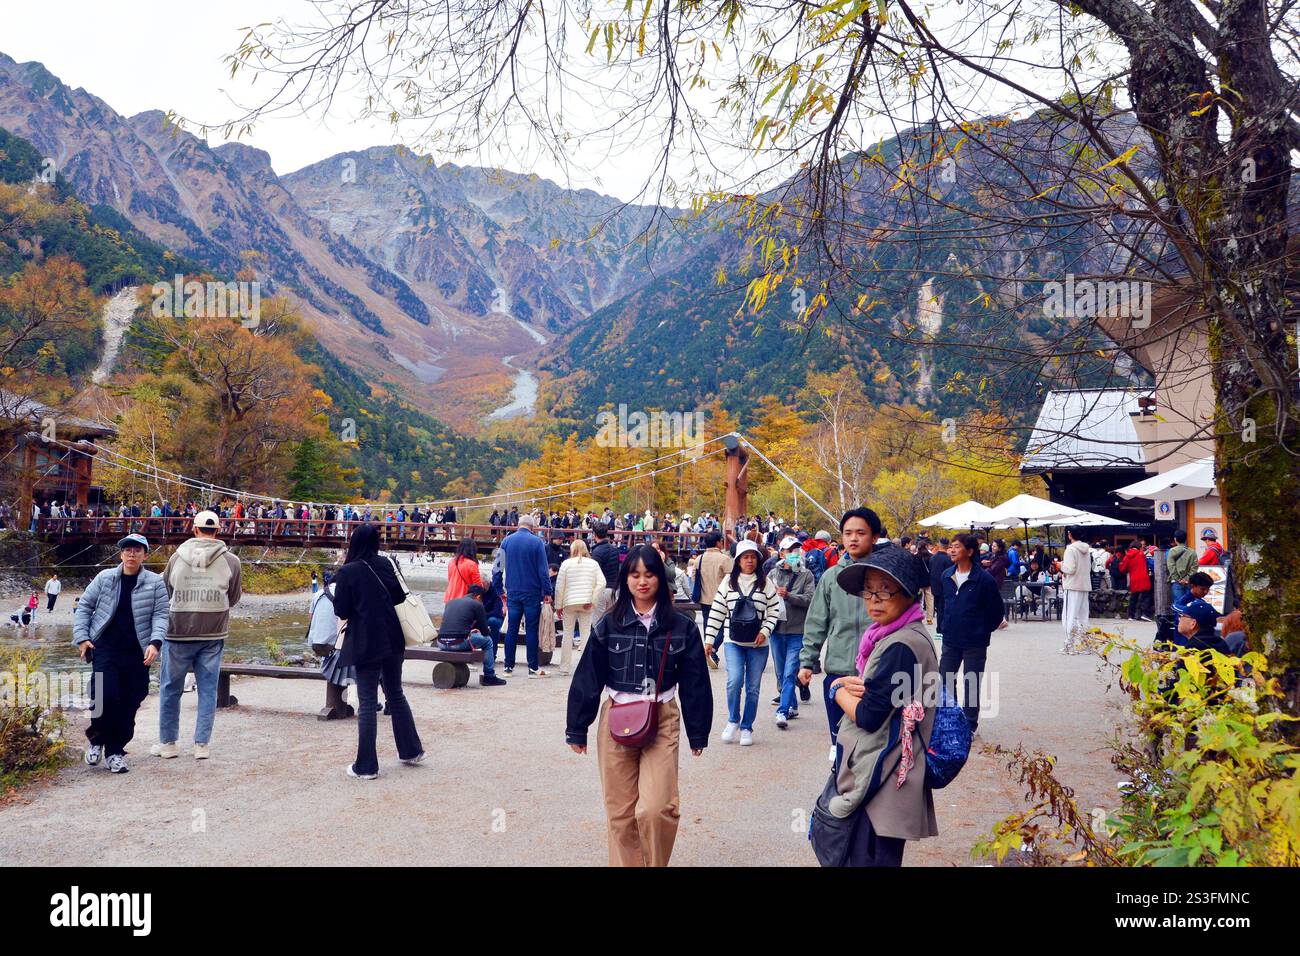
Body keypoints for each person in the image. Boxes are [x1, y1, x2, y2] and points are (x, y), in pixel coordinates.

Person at [565, 544, 712, 867]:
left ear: (659, 578)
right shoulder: (608, 623)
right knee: (620, 814)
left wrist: (698, 732)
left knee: (656, 809)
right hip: (617, 716)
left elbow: (696, 681)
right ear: (625, 579)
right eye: (634, 575)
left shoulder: (681, 626)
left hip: (661, 717)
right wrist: (578, 727)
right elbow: (589, 675)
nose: (642, 581)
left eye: (648, 574)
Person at [825, 545, 940, 866]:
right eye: (869, 591)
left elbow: (870, 715)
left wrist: (836, 689)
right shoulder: (895, 635)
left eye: (885, 591)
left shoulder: (901, 645)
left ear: (907, 594)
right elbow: (881, 697)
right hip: (885, 776)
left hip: (882, 779)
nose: (874, 600)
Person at [331, 523, 424, 778]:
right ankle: (411, 750)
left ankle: (367, 766)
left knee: (369, 701)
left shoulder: (347, 572)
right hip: (392, 638)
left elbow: (341, 611)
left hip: (365, 641)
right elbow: (398, 596)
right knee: (395, 693)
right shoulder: (386, 564)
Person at [73, 534, 170, 774]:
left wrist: (155, 643)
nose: (131, 554)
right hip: (105, 647)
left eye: (137, 550)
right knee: (104, 694)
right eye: (127, 550)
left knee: (130, 701)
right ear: (121, 554)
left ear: (145, 555)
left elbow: (161, 614)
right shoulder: (105, 578)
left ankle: (115, 750)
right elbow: (84, 606)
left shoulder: (155, 583)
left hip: (137, 651)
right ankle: (97, 741)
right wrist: (83, 638)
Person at [154, 511, 242, 760]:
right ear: (218, 530)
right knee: (207, 689)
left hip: (178, 630)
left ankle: (168, 744)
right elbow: (233, 596)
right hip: (213, 631)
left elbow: (166, 591)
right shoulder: (231, 561)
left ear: (194, 529)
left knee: (170, 688)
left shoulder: (176, 557)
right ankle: (201, 744)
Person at [798, 508, 882, 763]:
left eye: (860, 533)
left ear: (874, 537)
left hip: (877, 670)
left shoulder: (884, 576)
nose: (853, 538)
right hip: (839, 669)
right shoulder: (831, 577)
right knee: (840, 743)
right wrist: (807, 660)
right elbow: (816, 621)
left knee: (873, 741)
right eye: (848, 533)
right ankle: (840, 785)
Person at [703, 539, 780, 746]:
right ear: (737, 560)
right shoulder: (728, 582)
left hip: (758, 644)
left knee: (753, 687)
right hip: (732, 641)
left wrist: (765, 631)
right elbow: (717, 611)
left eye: (753, 557)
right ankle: (733, 720)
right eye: (745, 557)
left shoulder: (766, 583)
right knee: (734, 681)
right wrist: (709, 640)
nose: (749, 560)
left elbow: (774, 610)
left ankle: (747, 726)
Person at [937, 533, 1005, 734]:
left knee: (971, 683)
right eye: (951, 546)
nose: (952, 550)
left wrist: (982, 630)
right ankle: (950, 720)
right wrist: (944, 626)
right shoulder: (946, 576)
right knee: (946, 680)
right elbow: (942, 604)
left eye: (957, 547)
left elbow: (996, 611)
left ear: (970, 551)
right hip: (950, 639)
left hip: (975, 641)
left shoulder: (984, 579)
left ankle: (968, 726)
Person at [768, 536, 815, 728]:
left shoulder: (807, 575)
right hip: (776, 629)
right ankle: (792, 705)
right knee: (781, 672)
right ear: (782, 554)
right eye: (790, 551)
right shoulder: (772, 574)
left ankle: (782, 710)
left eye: (797, 550)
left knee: (789, 672)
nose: (795, 554)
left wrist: (789, 596)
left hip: (797, 630)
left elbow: (810, 598)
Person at [500, 514, 554, 677]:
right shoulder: (537, 543)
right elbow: (543, 572)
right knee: (531, 629)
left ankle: (508, 667)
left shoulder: (506, 542)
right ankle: (532, 667)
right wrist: (548, 592)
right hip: (532, 592)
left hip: (513, 591)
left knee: (512, 629)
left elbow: (497, 568)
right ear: (533, 527)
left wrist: (499, 590)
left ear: (518, 525)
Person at [438, 585, 507, 686]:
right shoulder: (476, 604)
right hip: (457, 643)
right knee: (488, 641)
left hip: (441, 643)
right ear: (478, 597)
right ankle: (489, 676)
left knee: (472, 638)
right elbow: (485, 632)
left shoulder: (451, 602)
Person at [554, 538, 602, 676]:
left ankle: (564, 667)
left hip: (569, 603)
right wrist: (593, 600)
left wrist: (558, 605)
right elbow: (602, 583)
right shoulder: (593, 564)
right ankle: (586, 667)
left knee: (567, 634)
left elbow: (559, 587)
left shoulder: (566, 564)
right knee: (586, 633)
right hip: (586, 603)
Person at [695, 530, 734, 668]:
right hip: (721, 599)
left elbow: (694, 577)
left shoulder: (699, 559)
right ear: (718, 542)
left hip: (704, 598)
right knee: (722, 630)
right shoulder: (724, 559)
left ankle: (709, 651)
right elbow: (731, 579)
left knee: (708, 627)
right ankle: (713, 650)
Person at [1059, 526, 1092, 645]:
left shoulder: (1070, 549)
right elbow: (1089, 568)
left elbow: (1070, 569)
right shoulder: (1086, 550)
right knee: (1083, 617)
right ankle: (1086, 644)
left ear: (1070, 534)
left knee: (1069, 615)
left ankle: (1069, 643)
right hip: (1084, 585)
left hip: (1072, 585)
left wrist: (1060, 566)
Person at [1120, 539, 1154, 621]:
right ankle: (1145, 614)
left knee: (1134, 598)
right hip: (1144, 578)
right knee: (1146, 596)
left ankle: (1131, 616)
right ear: (1138, 546)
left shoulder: (1127, 556)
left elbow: (1122, 569)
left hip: (1134, 579)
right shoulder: (1141, 554)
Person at [1166, 529, 1199, 606]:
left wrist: (1178, 579)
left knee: (1178, 604)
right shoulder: (1192, 551)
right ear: (1185, 539)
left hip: (1177, 582)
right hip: (1189, 582)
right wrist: (1187, 578)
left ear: (1175, 539)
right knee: (1189, 604)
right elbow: (1195, 567)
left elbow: (1171, 567)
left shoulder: (1172, 551)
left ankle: (1179, 618)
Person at [444, 538, 482, 603]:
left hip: (449, 600)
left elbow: (450, 580)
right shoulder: (472, 564)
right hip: (464, 601)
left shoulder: (451, 562)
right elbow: (477, 586)